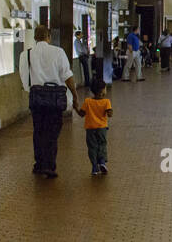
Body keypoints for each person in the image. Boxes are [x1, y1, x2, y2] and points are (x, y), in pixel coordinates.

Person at [19, 25, 77, 178]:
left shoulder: (26, 55)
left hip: (36, 98)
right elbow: (67, 77)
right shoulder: (58, 52)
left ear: (35, 38)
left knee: (38, 131)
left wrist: (32, 89)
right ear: (48, 37)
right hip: (55, 99)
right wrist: (75, 97)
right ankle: (49, 166)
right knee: (52, 132)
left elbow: (25, 80)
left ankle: (39, 164)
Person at [75, 77, 112, 176]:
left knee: (92, 147)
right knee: (102, 144)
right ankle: (102, 161)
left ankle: (94, 166)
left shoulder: (87, 101)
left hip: (90, 128)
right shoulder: (106, 102)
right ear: (102, 90)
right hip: (102, 128)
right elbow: (110, 113)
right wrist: (110, 111)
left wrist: (75, 108)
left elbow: (81, 114)